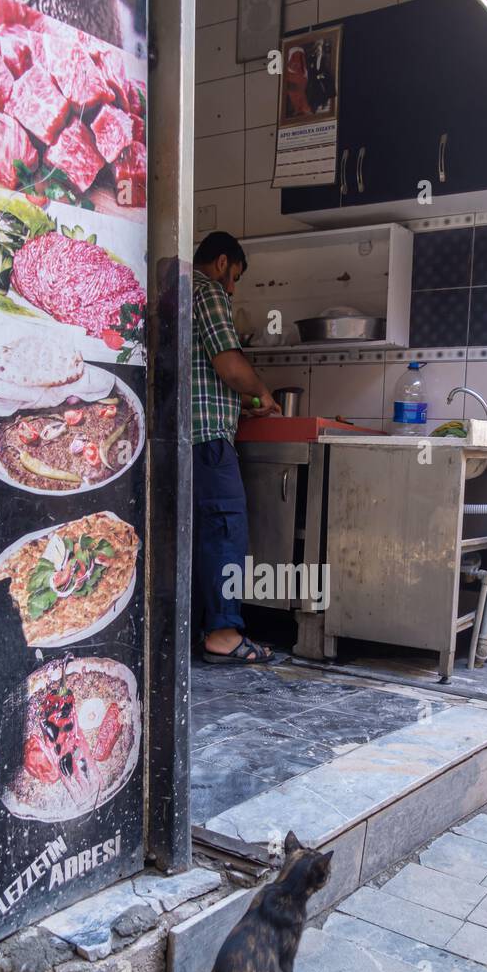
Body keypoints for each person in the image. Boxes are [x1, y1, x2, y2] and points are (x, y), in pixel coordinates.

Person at [192, 231, 281, 665]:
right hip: (208, 442)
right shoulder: (207, 290)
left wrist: (238, 406)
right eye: (235, 277)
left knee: (192, 538)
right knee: (225, 532)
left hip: (176, 441)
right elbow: (227, 362)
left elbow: (199, 376)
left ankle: (195, 628)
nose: (232, 288)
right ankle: (224, 634)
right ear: (223, 262)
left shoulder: (168, 292)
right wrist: (262, 393)